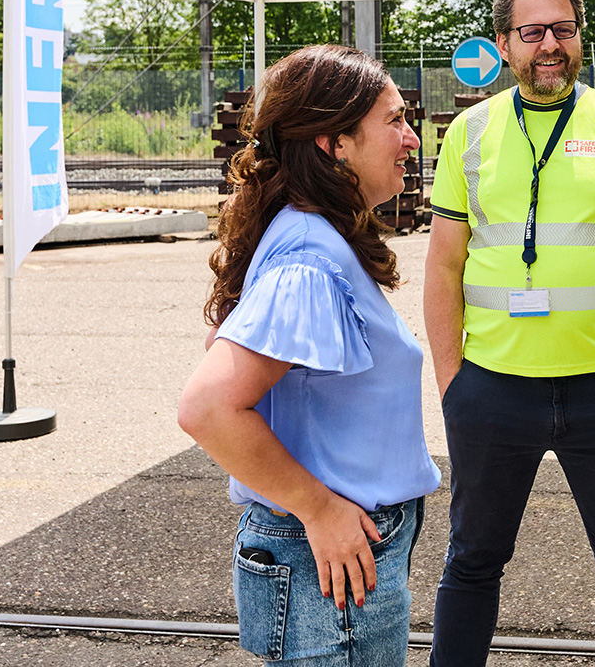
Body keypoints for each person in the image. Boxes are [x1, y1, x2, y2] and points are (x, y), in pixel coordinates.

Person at [425, 0, 595, 667]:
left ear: (579, 39)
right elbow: (443, 268)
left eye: (563, 30)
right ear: (504, 44)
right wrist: (453, 384)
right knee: (473, 559)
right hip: (492, 387)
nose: (549, 45)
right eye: (532, 31)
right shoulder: (469, 133)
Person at [178, 44, 440, 667]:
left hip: (331, 561)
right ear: (334, 143)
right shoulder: (310, 256)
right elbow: (207, 409)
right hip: (331, 567)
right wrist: (320, 510)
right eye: (395, 120)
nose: (411, 139)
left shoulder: (309, 234)